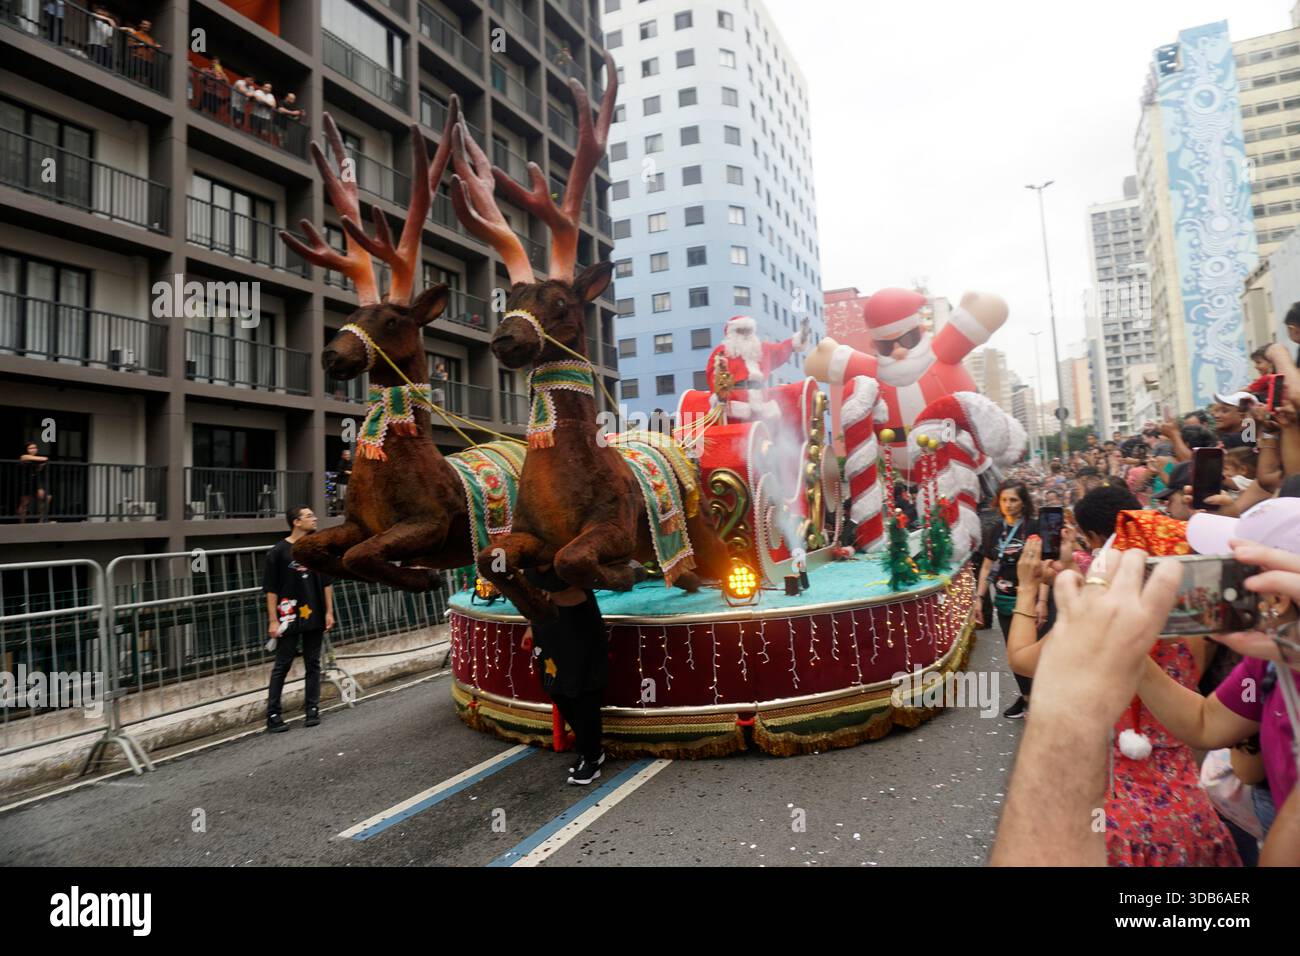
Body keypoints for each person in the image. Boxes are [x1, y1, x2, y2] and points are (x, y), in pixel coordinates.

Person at [992, 547, 1183, 865]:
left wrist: (1027, 589)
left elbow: (1020, 658)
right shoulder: (1193, 635)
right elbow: (1211, 724)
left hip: (1113, 816)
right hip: (1187, 813)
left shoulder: (1092, 632)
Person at [519, 564, 609, 785]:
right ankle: (592, 750)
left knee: (583, 691)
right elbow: (530, 590)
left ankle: (591, 758)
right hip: (547, 626)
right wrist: (531, 624)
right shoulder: (530, 552)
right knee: (556, 689)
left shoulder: (570, 552)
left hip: (578, 624)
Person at [974, 481, 1044, 719]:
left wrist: (1043, 600)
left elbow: (1044, 565)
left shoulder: (1034, 527)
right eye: (1004, 500)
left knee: (1035, 653)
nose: (1008, 505)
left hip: (1031, 600)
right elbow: (985, 567)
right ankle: (1026, 698)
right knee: (1015, 655)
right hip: (1004, 601)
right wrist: (979, 597)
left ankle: (1040, 698)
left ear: (1023, 502)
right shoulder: (995, 530)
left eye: (1013, 500)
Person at [263, 506, 335, 732]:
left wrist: (329, 612)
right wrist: (273, 620)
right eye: (309, 516)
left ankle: (312, 709)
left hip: (314, 613)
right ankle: (273, 714)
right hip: (287, 616)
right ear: (296, 522)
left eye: (314, 515)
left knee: (313, 663)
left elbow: (326, 583)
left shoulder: (317, 549)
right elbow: (271, 589)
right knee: (282, 664)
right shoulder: (278, 551)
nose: (314, 519)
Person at [17, 442, 53, 522]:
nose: (33, 450)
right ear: (26, 449)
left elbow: (43, 462)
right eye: (30, 448)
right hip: (25, 482)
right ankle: (22, 522)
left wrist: (40, 463)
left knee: (46, 497)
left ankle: (41, 519)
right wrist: (41, 461)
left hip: (35, 482)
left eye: (35, 448)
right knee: (25, 503)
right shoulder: (23, 456)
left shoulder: (35, 458)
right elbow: (44, 459)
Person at [335, 448, 352, 512]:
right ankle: (338, 512)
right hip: (341, 483)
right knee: (340, 498)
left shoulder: (351, 462)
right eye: (346, 454)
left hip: (348, 483)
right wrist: (346, 472)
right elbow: (339, 470)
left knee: (347, 499)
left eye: (349, 454)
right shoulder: (341, 462)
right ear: (343, 455)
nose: (348, 456)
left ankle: (345, 512)